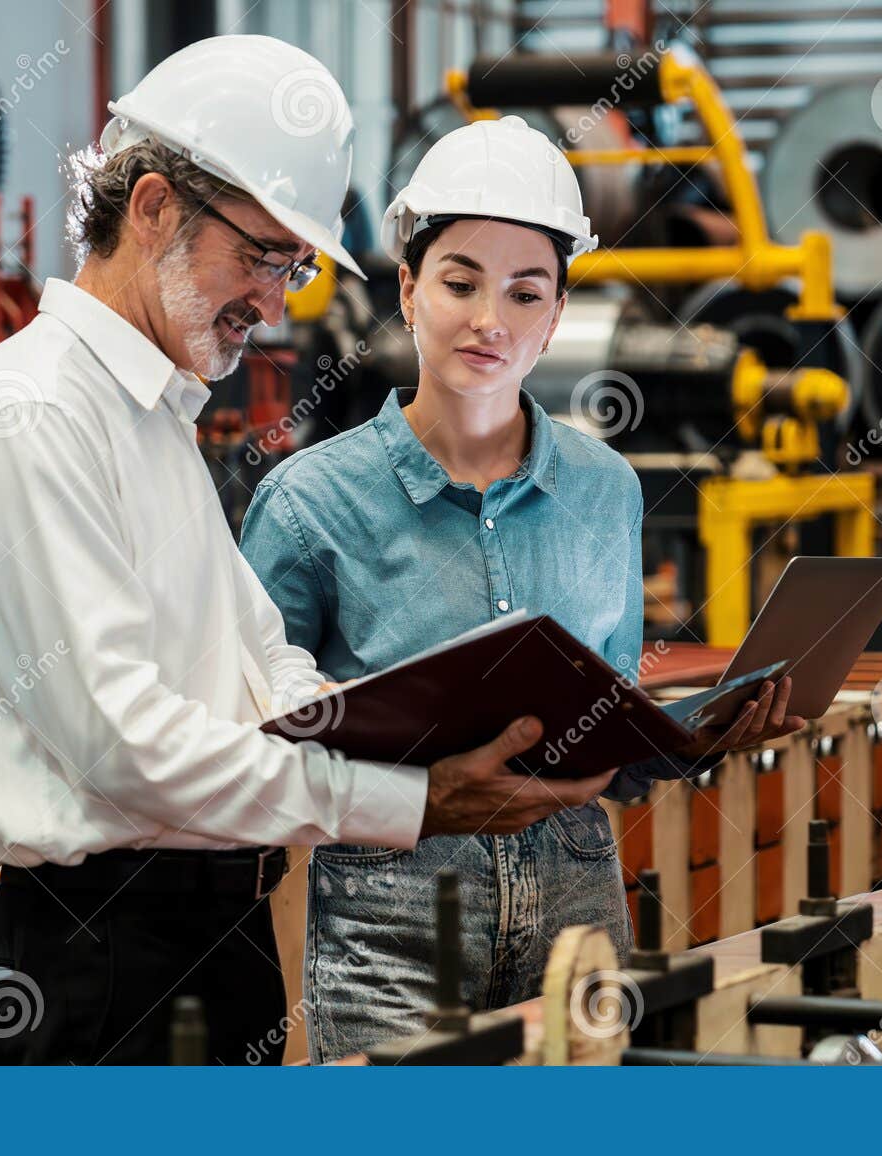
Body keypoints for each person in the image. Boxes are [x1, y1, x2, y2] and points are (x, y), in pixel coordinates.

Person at [0, 38, 613, 1067]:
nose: (275, 305)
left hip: (206, 928)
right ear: (151, 208)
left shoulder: (149, 414)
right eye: (261, 257)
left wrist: (392, 722)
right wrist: (408, 800)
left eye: (292, 268)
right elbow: (124, 745)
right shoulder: (32, 417)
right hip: (104, 951)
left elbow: (258, 652)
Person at [240, 115, 804, 1063]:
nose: (489, 320)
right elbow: (257, 738)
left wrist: (689, 739)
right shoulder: (308, 501)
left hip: (578, 890)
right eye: (459, 282)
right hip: (394, 908)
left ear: (557, 316)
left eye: (525, 292)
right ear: (410, 291)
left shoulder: (604, 489)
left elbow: (604, 723)